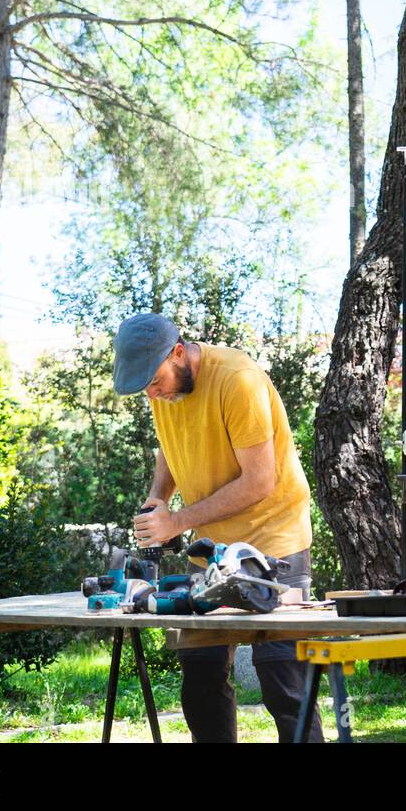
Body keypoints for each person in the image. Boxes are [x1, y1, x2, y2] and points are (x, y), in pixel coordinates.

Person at [112, 312, 323, 743]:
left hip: (273, 539)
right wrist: (161, 498)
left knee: (284, 680)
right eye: (145, 389)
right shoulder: (163, 391)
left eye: (155, 381)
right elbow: (172, 447)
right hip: (211, 548)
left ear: (177, 352)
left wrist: (179, 521)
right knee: (201, 680)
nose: (152, 393)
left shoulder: (237, 380)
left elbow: (260, 481)